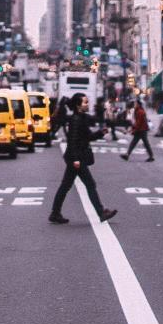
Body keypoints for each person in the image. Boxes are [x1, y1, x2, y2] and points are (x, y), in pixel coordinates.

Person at [48, 93, 117, 225]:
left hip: (75, 157)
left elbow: (88, 137)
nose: (87, 104)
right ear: (78, 106)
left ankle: (55, 213)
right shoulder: (76, 120)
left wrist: (100, 133)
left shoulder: (81, 117)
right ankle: (101, 212)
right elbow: (72, 141)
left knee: (65, 186)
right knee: (89, 184)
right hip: (76, 158)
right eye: (85, 102)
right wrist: (75, 160)